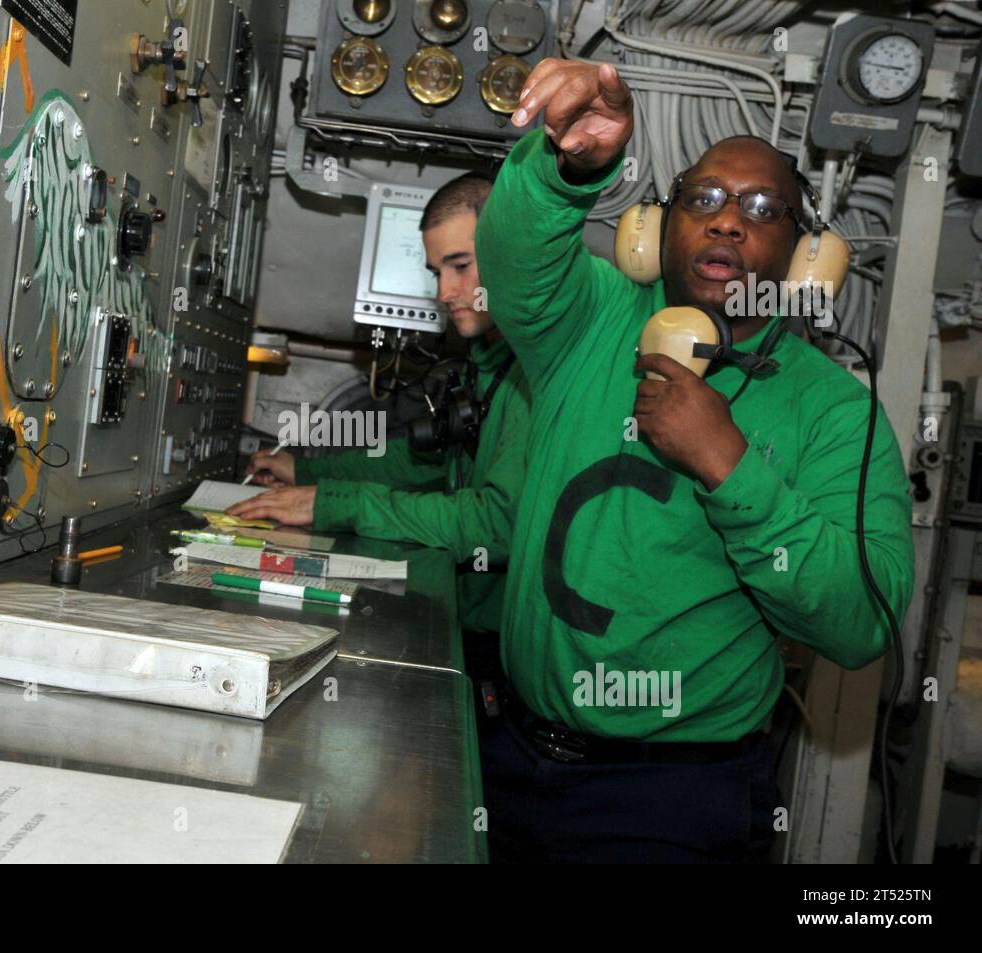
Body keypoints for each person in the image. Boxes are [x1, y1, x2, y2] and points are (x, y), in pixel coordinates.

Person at [472, 59, 914, 862]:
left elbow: (862, 623)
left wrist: (730, 466)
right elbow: (513, 261)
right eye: (702, 200)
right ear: (653, 227)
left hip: (672, 800)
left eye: (762, 209)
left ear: (808, 255)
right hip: (506, 755)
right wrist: (571, 163)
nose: (726, 222)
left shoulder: (837, 412)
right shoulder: (592, 318)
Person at [228, 173, 532, 637]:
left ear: (510, 249)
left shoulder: (532, 376)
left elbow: (496, 526)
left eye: (461, 266)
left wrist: (342, 505)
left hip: (500, 635)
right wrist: (309, 472)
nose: (444, 293)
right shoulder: (488, 363)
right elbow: (422, 464)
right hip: (471, 621)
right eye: (437, 272)